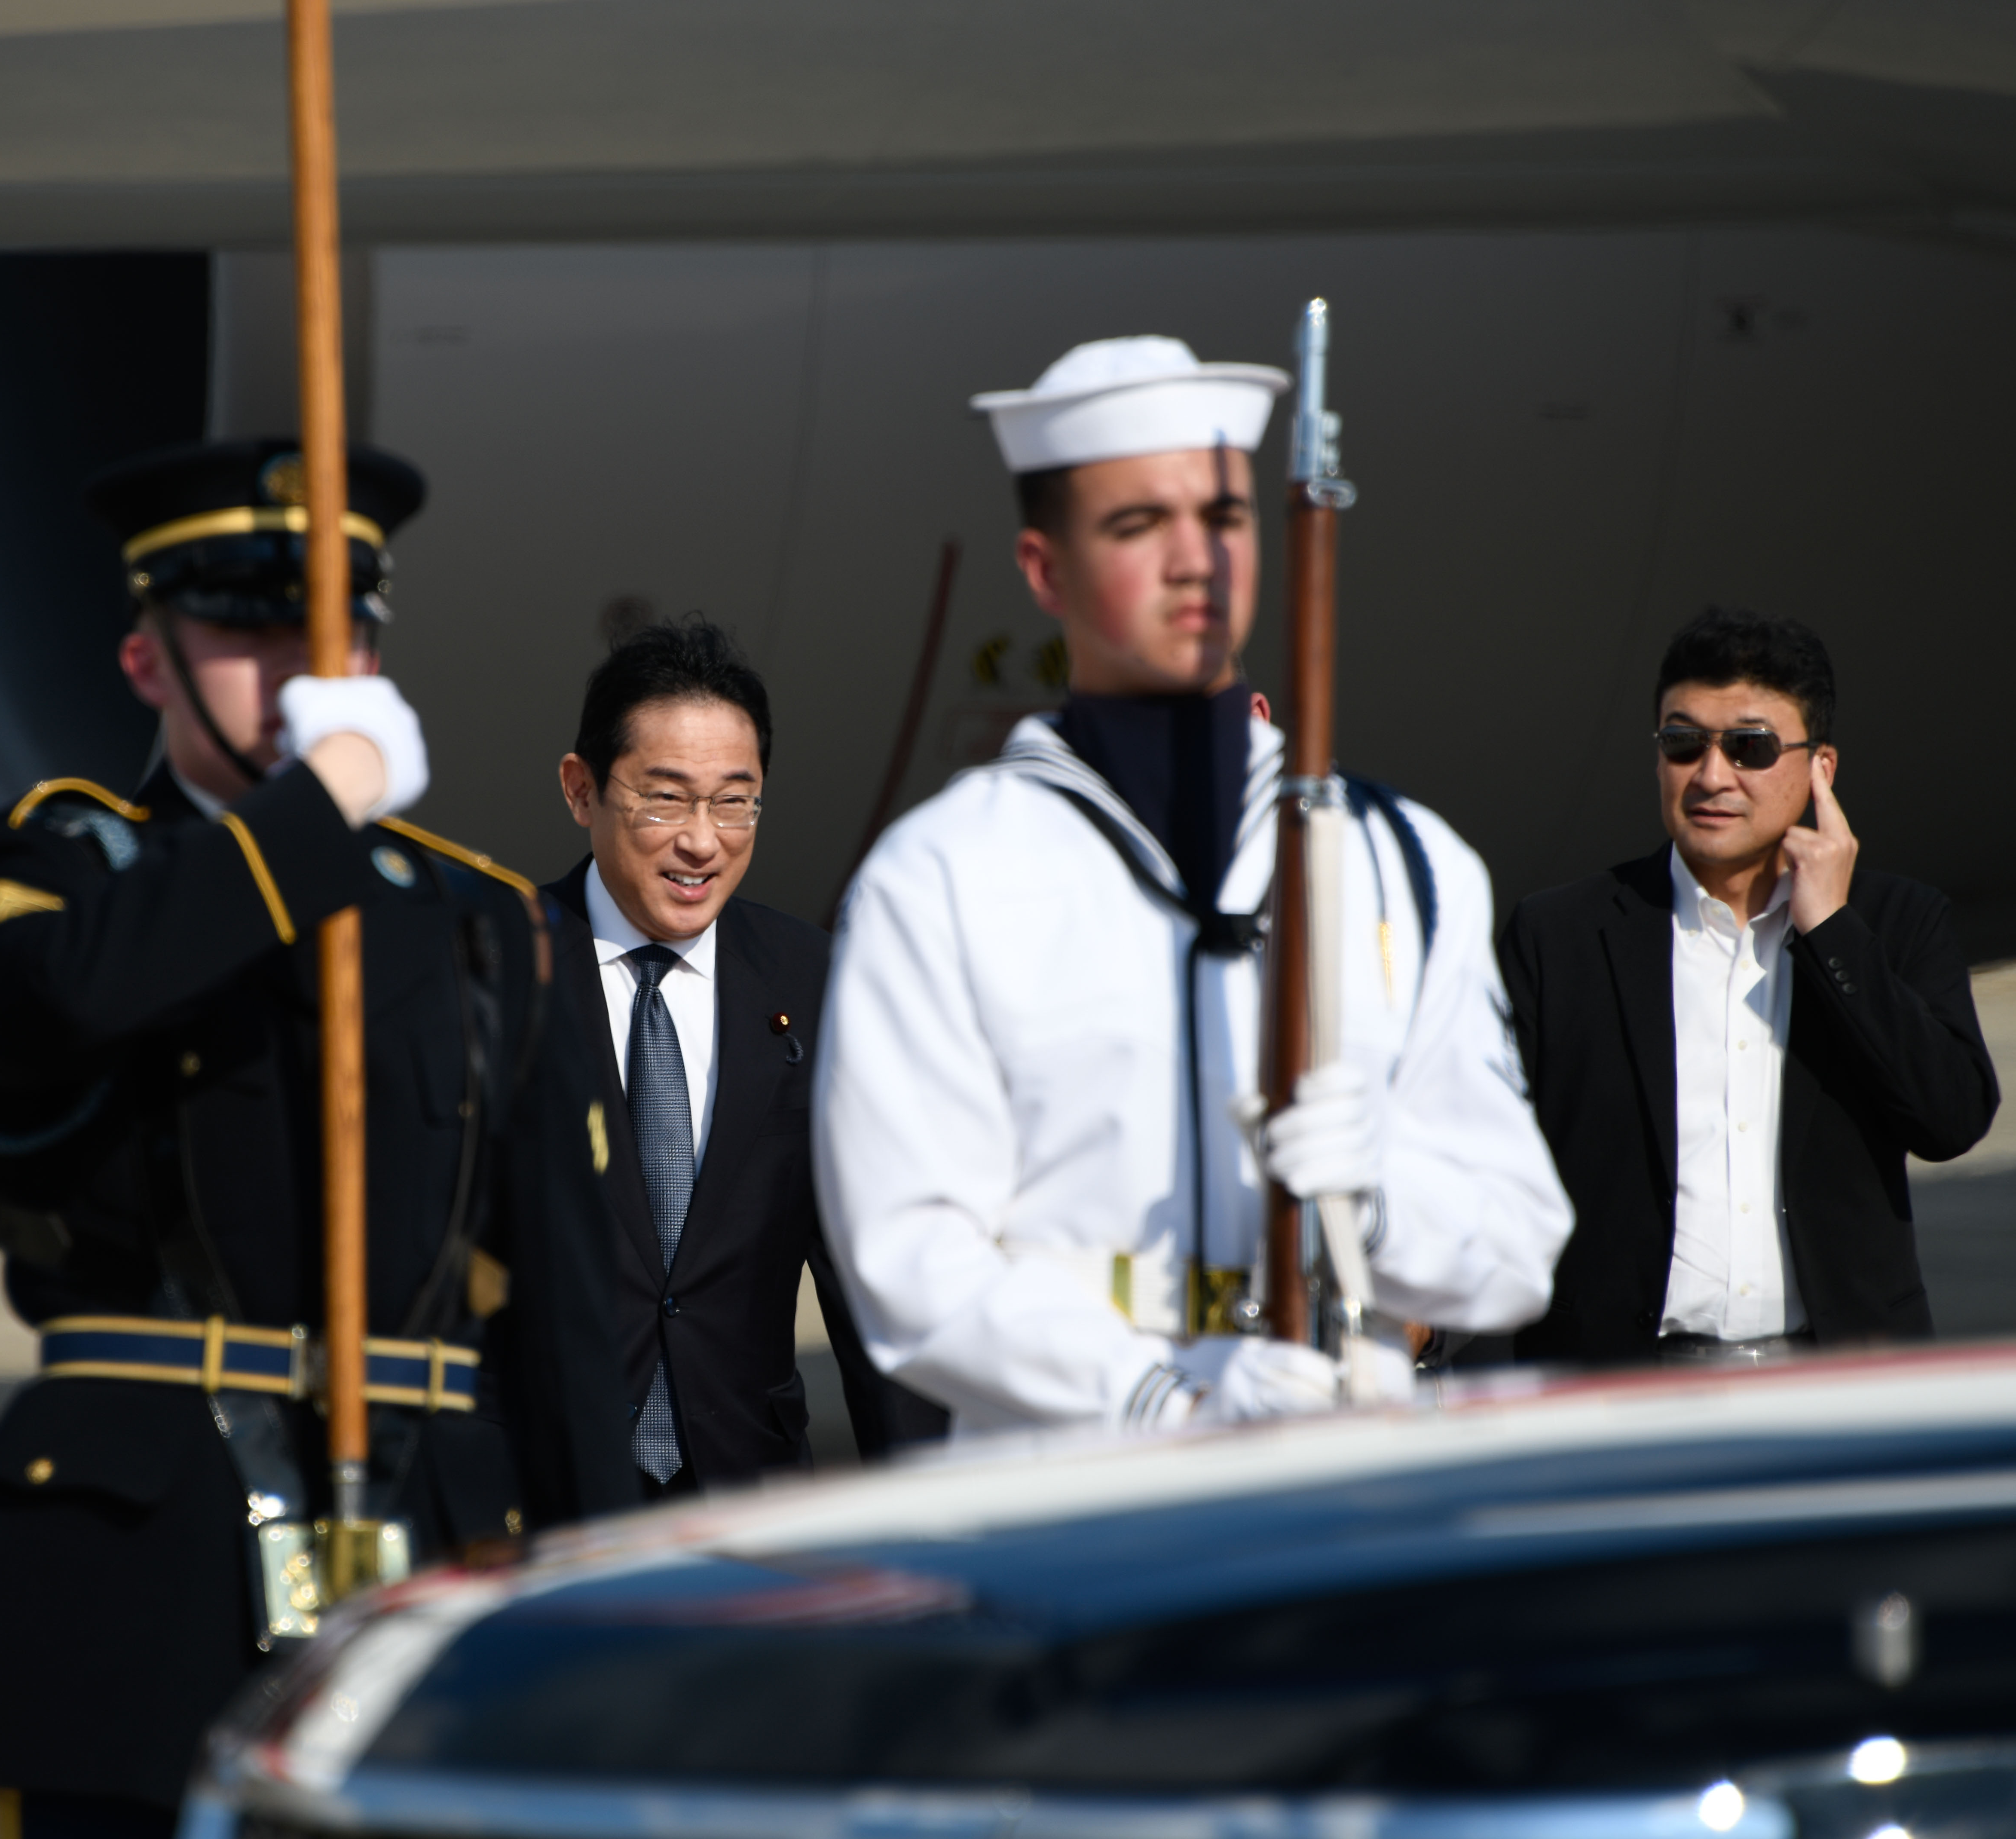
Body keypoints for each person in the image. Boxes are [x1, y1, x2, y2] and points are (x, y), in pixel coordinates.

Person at [0, 437, 635, 1839]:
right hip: (141, 1573)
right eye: (242, 625)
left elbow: (569, 1312)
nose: (295, 663)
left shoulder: (482, 918)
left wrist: (593, 1610)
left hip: (427, 1540)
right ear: (143, 655)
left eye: (333, 626)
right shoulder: (57, 864)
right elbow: (50, 1012)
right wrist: (316, 817)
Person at [817, 335, 1571, 1432]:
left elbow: (1515, 1250)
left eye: (1222, 520)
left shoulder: (1399, 860)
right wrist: (1159, 1404)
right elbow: (910, 1261)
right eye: (1136, 525)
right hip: (1078, 1521)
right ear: (1044, 570)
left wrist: (1378, 1201)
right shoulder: (944, 877)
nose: (1194, 561)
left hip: (1344, 1490)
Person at [1498, 607, 1998, 1363]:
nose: (1711, 774)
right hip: (1622, 1388)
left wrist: (1831, 932)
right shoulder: (1558, 934)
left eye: (1750, 747)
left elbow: (1951, 1118)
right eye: (1682, 742)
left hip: (1840, 1384)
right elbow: (1491, 1161)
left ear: (1819, 769)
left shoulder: (1893, 923)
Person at [544, 618, 944, 1494]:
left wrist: (927, 1509)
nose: (703, 840)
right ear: (582, 791)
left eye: (735, 800)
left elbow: (868, 1269)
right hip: (540, 1492)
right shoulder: (503, 965)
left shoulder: (819, 980)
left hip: (744, 1489)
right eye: (665, 798)